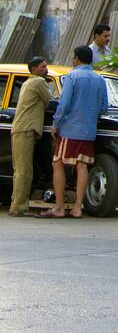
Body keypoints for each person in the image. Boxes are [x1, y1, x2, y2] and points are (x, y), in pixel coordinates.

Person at [48, 46, 109, 218]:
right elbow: (104, 107)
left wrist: (55, 123)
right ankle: (77, 207)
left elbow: (64, 104)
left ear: (76, 59)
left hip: (70, 129)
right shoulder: (100, 79)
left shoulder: (72, 76)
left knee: (57, 162)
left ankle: (59, 206)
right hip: (89, 130)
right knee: (82, 165)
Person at [9, 56, 53, 217]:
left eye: (46, 66)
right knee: (24, 170)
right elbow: (51, 101)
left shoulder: (28, 82)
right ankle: (18, 207)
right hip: (26, 128)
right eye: (42, 67)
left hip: (20, 128)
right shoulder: (38, 82)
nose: (45, 69)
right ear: (34, 69)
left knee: (19, 169)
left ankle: (16, 203)